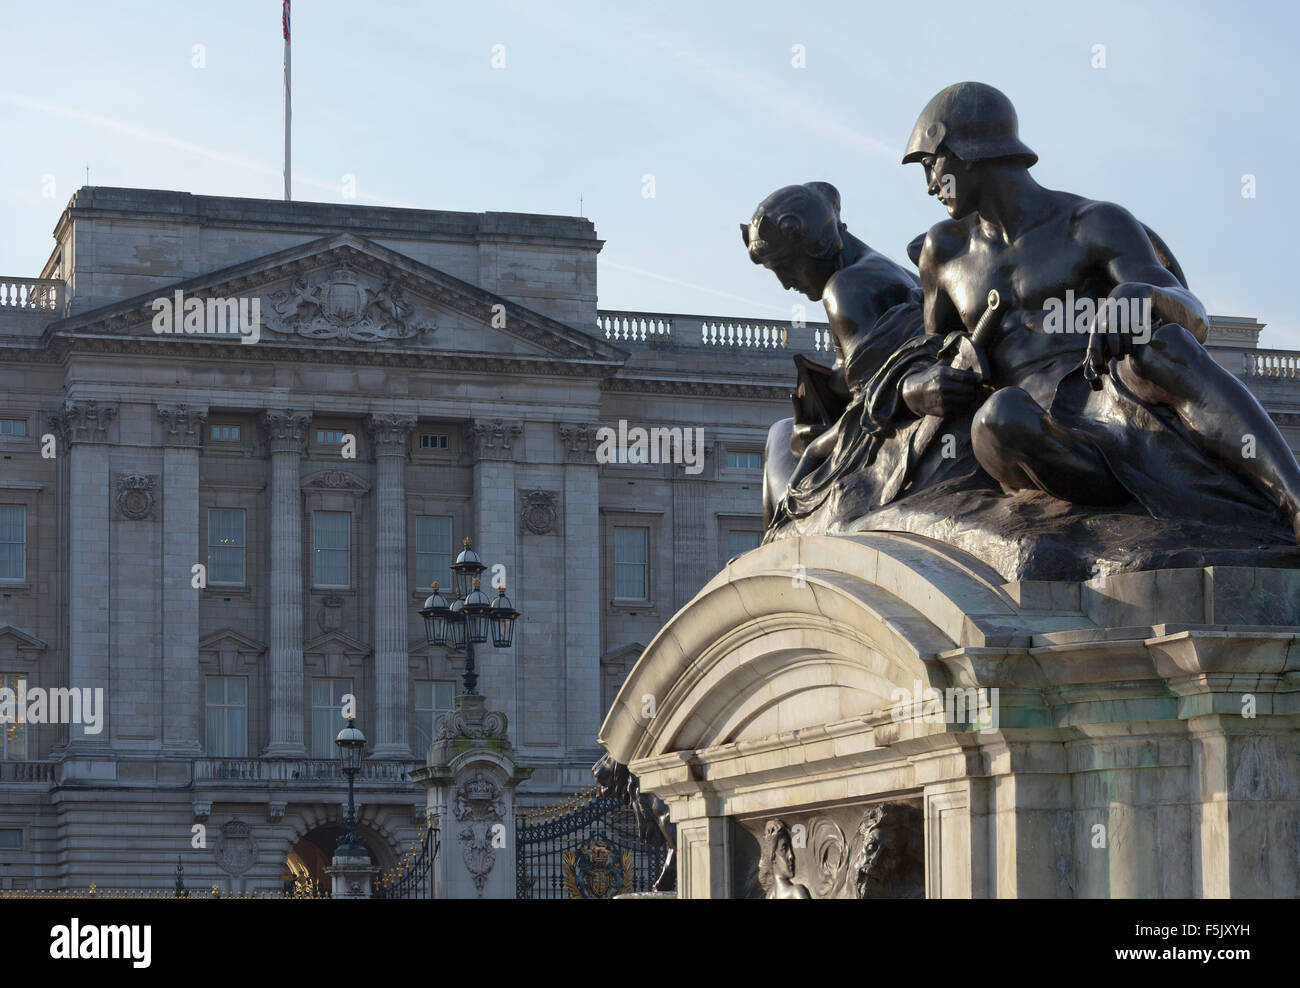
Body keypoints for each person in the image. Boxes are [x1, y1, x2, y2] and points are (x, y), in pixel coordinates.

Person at [901, 82, 1300, 543]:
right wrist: (917, 389)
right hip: (1040, 440)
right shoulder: (942, 251)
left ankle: (1293, 499)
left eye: (933, 165)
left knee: (1161, 344)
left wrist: (1143, 294)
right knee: (997, 417)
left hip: (1118, 414)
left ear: (968, 151)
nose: (931, 185)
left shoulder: (1092, 222)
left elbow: (1195, 318)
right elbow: (932, 355)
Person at [744, 183, 983, 532]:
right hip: (912, 409)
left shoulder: (843, 289)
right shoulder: (888, 270)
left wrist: (818, 425)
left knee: (782, 436)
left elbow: (872, 399)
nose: (784, 283)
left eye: (785, 266)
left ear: (813, 245)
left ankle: (775, 544)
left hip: (886, 427)